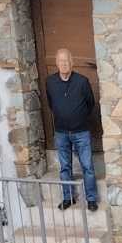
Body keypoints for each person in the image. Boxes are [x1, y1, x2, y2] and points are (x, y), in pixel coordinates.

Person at [47, 48, 97, 211]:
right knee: (65, 167)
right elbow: (51, 104)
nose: (64, 64)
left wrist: (78, 118)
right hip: (61, 133)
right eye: (61, 61)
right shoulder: (50, 82)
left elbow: (90, 104)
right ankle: (68, 198)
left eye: (67, 61)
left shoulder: (82, 81)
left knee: (87, 166)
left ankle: (91, 199)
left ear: (72, 62)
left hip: (81, 132)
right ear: (57, 63)